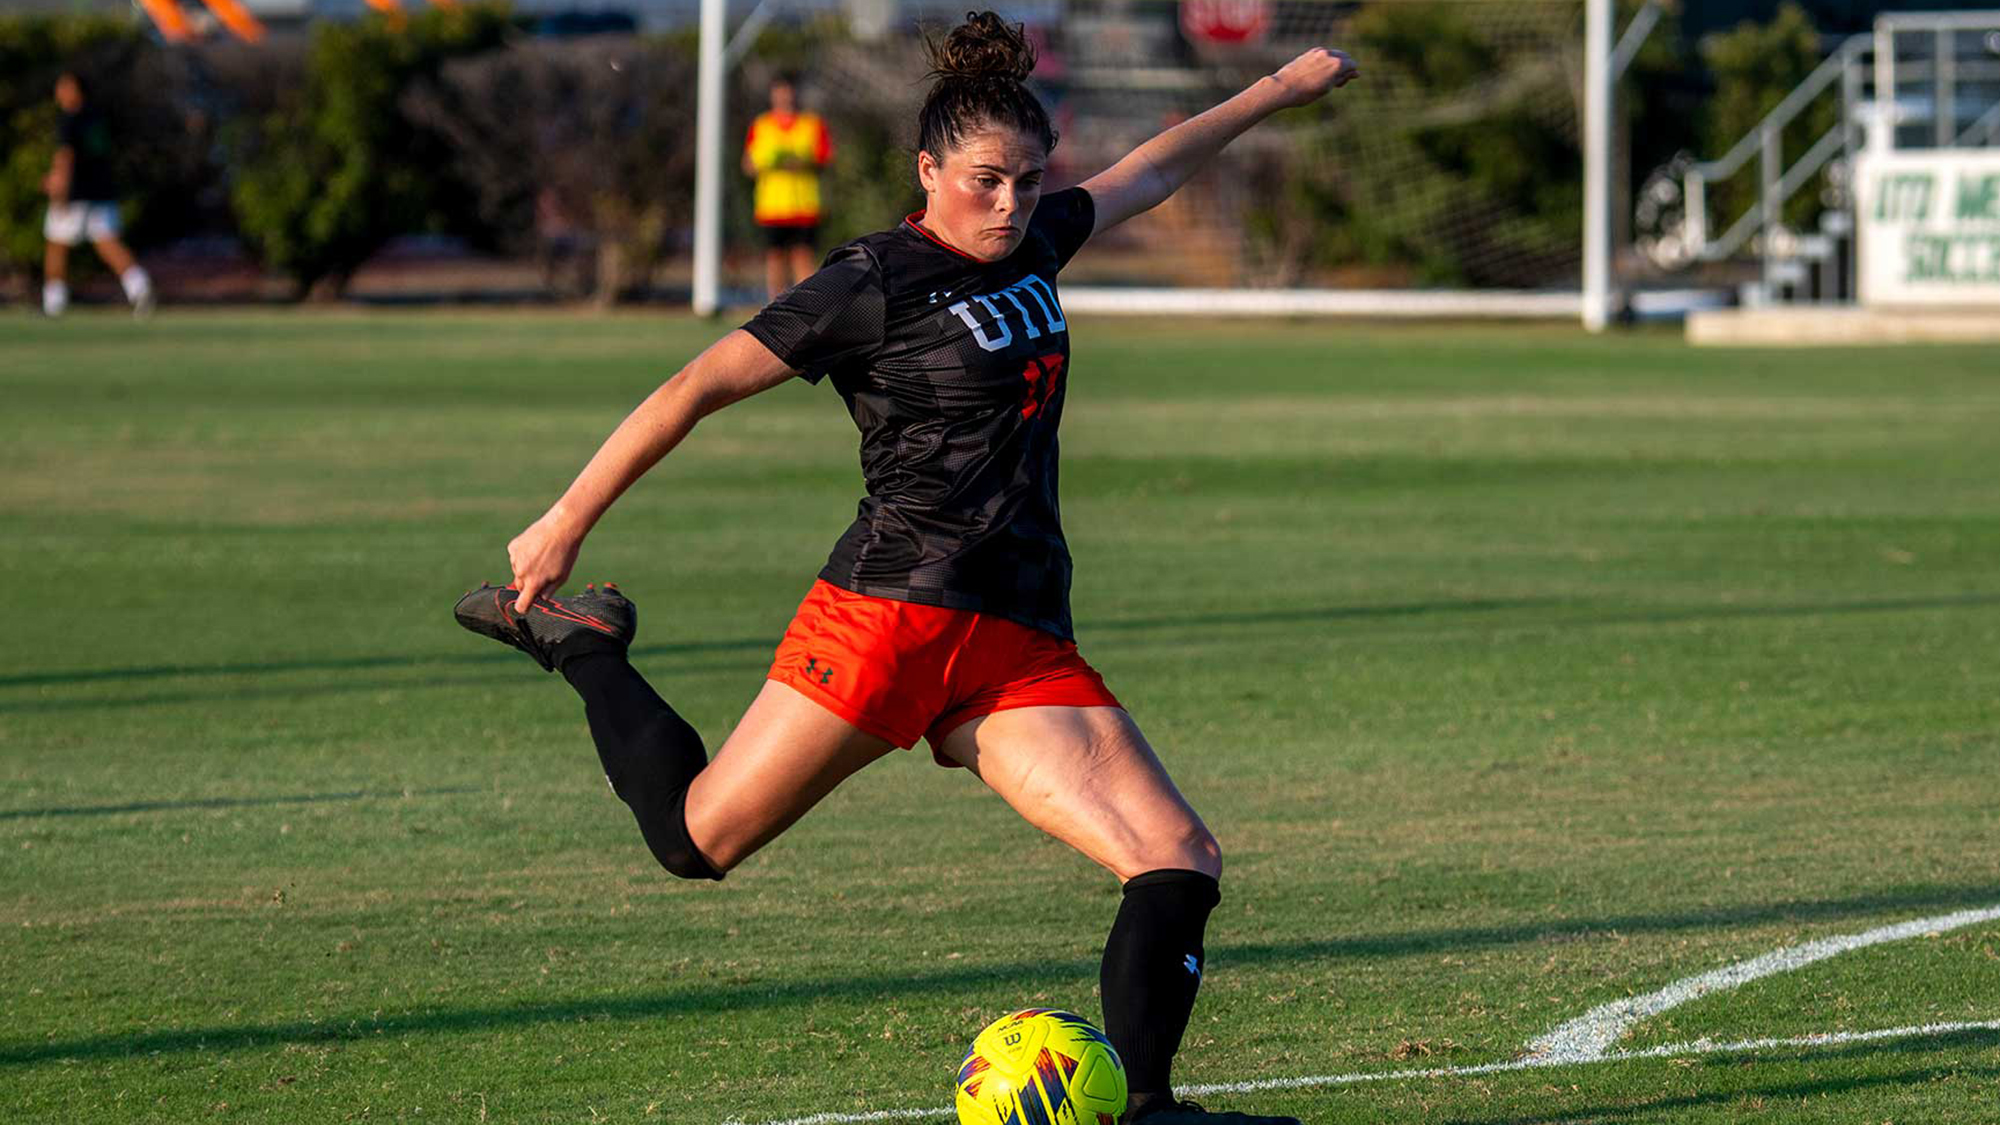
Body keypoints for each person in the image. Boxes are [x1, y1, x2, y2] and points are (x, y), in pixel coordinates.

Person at [456, 14, 1355, 1122]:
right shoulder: (868, 280)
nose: (1010, 203)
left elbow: (1151, 167)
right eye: (984, 181)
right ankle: (589, 651)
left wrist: (1272, 88)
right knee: (698, 840)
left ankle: (1149, 1108)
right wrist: (564, 519)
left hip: (1019, 635)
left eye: (1027, 181)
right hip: (888, 616)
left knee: (1176, 858)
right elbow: (696, 385)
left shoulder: (1032, 240)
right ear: (926, 171)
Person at [41, 71, 154, 318]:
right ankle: (139, 287)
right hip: (103, 191)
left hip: (77, 193)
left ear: (75, 90)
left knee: (56, 245)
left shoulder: (70, 120)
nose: (59, 93)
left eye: (64, 87)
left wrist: (59, 187)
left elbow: (66, 158)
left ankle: (53, 303)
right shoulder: (99, 118)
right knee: (107, 243)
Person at [742, 72, 833, 299]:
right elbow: (748, 165)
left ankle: (807, 306)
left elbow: (826, 158)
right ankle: (775, 308)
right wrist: (768, 164)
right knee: (775, 257)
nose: (784, 98)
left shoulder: (811, 124)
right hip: (772, 204)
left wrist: (800, 162)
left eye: (788, 93)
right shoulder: (761, 125)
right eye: (779, 93)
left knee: (802, 256)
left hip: (804, 204)